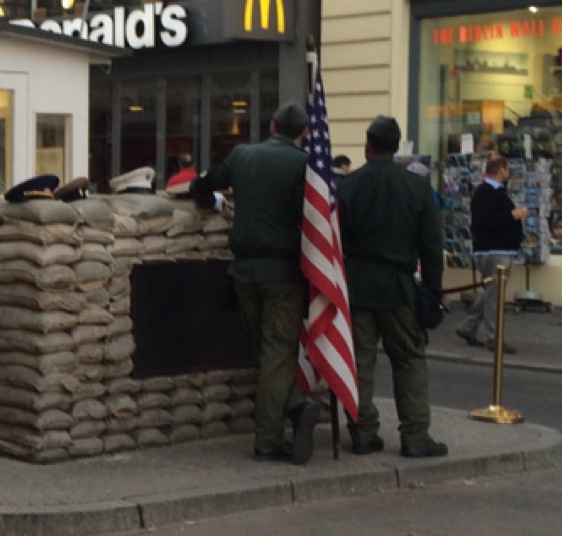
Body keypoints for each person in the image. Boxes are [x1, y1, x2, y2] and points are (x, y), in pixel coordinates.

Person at [190, 103, 315, 465]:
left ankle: (294, 408)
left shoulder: (242, 154)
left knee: (265, 350)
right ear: (303, 132)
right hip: (283, 272)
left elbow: (204, 183)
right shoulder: (303, 164)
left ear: (272, 124)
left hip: (243, 271)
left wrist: (208, 199)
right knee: (277, 352)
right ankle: (269, 438)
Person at [336, 115, 448, 460]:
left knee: (358, 363)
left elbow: (333, 242)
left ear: (367, 145)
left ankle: (362, 432)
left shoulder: (346, 186)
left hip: (356, 285)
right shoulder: (415, 188)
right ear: (397, 147)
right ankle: (415, 434)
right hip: (399, 287)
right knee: (410, 360)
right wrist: (432, 291)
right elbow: (431, 247)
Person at [457, 154, 526, 353]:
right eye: (507, 168)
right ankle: (494, 338)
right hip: (494, 250)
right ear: (501, 169)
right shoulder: (485, 192)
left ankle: (467, 326)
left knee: (491, 293)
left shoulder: (495, 192)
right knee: (495, 297)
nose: (508, 172)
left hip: (499, 249)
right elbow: (484, 222)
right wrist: (512, 215)